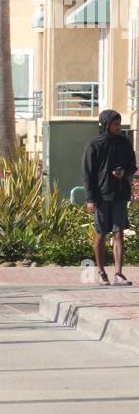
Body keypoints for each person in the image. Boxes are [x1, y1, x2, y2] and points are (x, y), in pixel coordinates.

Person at [83, 110, 137, 286]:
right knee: (100, 234)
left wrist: (124, 173)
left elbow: (132, 167)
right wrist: (90, 199)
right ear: (106, 125)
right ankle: (101, 271)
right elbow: (88, 174)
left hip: (120, 195)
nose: (118, 127)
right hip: (100, 197)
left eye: (119, 123)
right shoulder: (94, 145)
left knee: (118, 233)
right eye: (115, 124)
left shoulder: (124, 144)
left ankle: (118, 274)